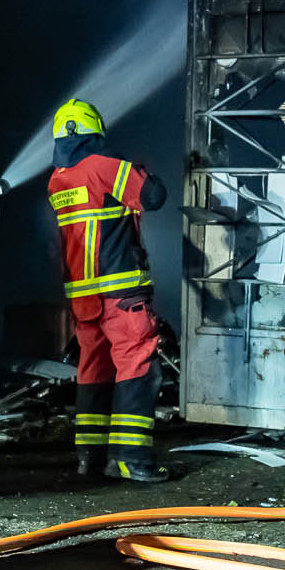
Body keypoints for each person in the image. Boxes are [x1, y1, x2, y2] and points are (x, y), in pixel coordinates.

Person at [46, 98, 170, 483]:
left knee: (92, 371)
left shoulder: (58, 180)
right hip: (121, 290)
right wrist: (132, 168)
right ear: (93, 131)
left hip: (84, 297)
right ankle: (132, 460)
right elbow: (153, 196)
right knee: (138, 366)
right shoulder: (104, 167)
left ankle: (90, 459)